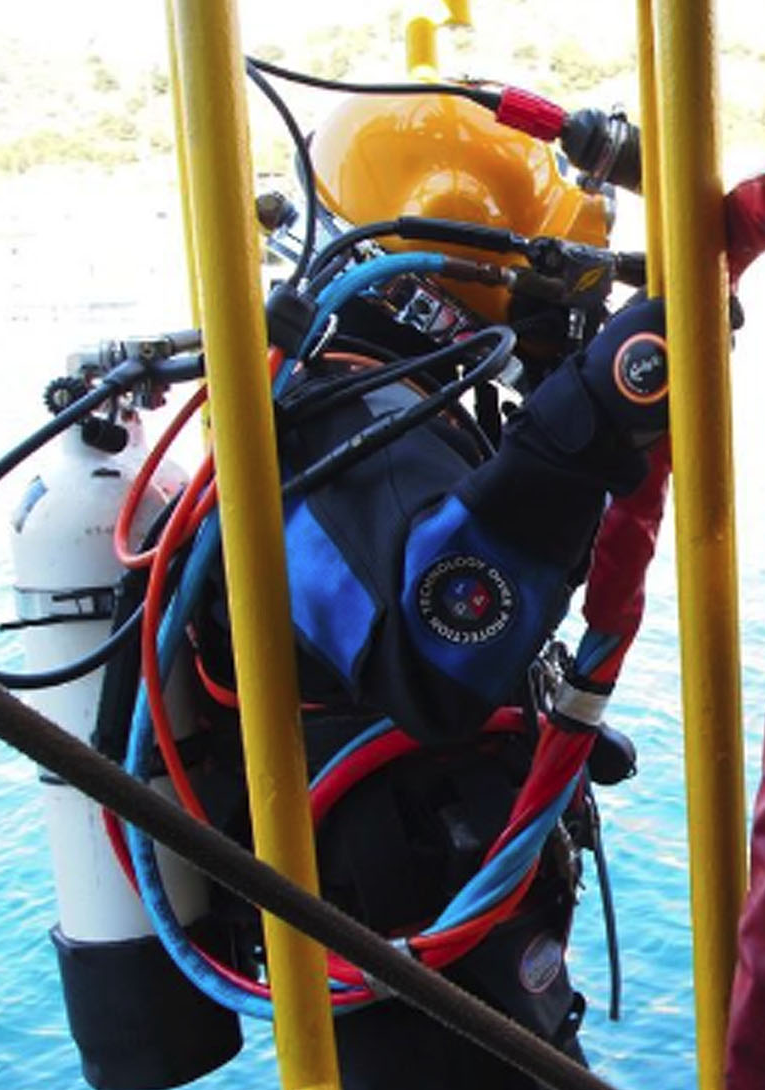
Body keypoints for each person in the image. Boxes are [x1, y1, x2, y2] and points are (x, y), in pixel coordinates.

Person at [187, 291, 669, 1088]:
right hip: (405, 964)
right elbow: (432, 657)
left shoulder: (403, 395)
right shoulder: (338, 422)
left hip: (472, 941)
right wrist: (590, 414)